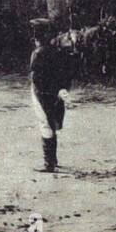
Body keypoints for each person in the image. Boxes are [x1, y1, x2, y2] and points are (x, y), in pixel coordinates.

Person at [29, 18, 72, 172]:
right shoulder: (58, 52)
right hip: (55, 94)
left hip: (42, 93)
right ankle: (53, 161)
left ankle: (49, 164)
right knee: (51, 124)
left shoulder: (38, 53)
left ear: (37, 37)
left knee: (45, 125)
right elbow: (66, 75)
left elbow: (36, 78)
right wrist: (61, 91)